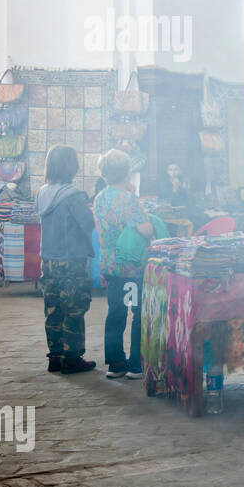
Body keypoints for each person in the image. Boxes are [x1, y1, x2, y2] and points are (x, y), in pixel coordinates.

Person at [93, 149, 154, 380]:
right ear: (127, 173)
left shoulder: (100, 197)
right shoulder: (128, 199)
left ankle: (116, 364)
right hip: (131, 268)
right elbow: (145, 229)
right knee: (137, 312)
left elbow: (100, 231)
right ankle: (136, 365)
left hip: (110, 265)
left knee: (115, 311)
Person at [37, 145, 96, 374]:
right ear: (72, 167)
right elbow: (88, 224)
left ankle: (55, 356)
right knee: (74, 308)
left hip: (48, 260)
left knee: (53, 309)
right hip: (72, 261)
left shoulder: (42, 193)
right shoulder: (74, 196)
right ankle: (72, 359)